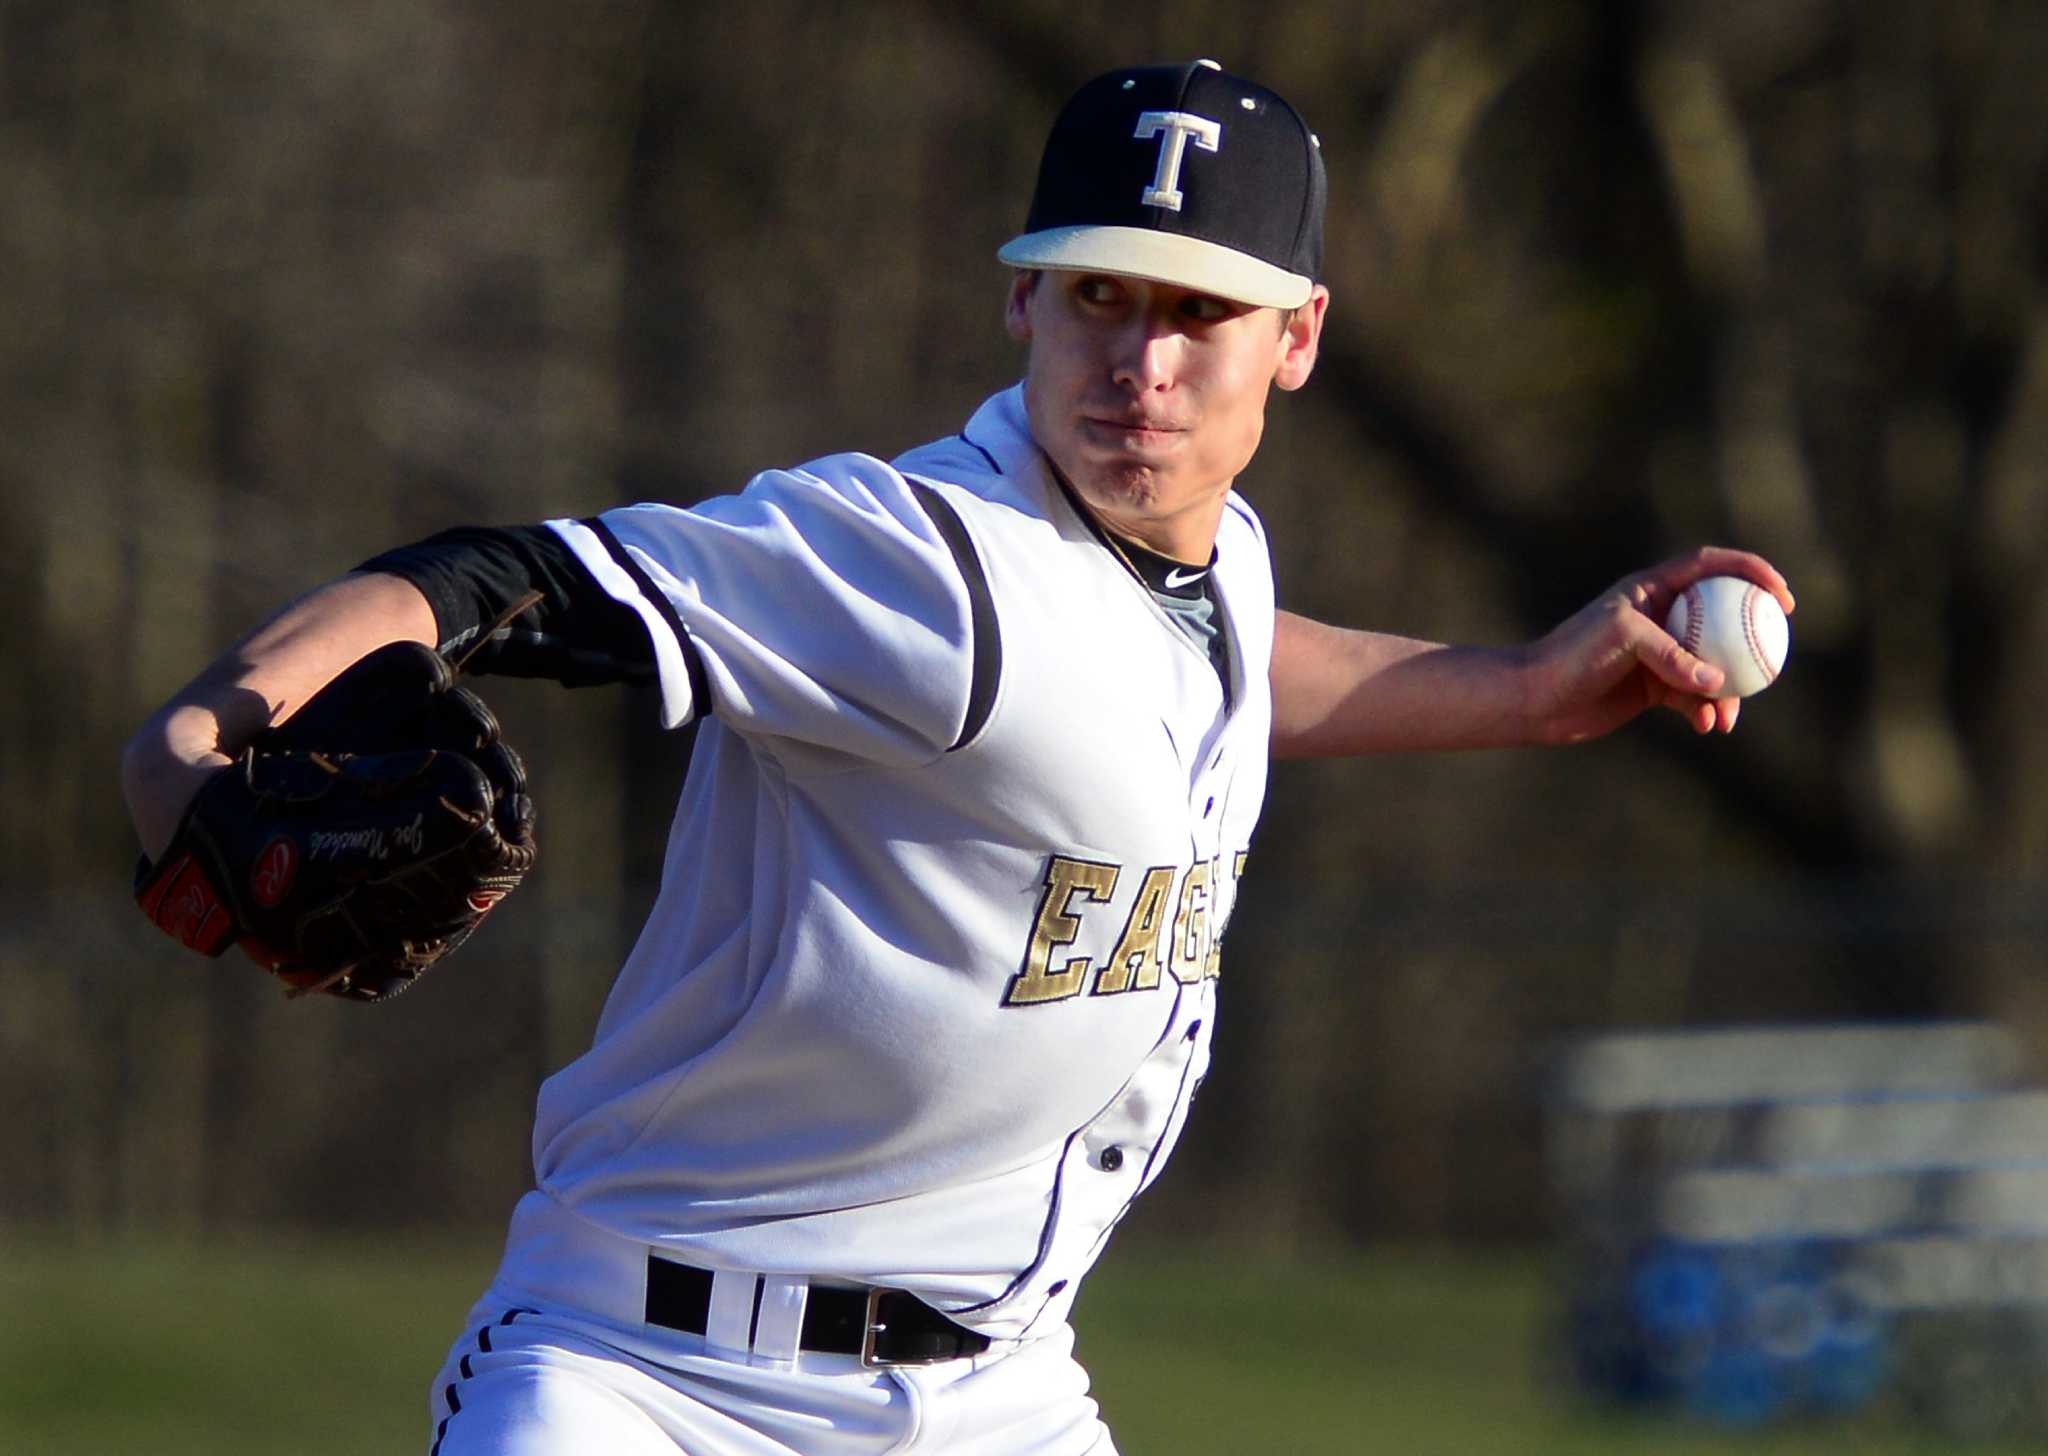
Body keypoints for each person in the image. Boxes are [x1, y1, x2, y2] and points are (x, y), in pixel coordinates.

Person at [120, 59, 1791, 1455]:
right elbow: (508, 579)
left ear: (1297, 337)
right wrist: (201, 737)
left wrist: (1522, 687)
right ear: (1021, 297)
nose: (1138, 362)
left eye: (1196, 314)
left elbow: (1212, 671)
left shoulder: (1208, 559)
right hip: (656, 1381)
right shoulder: (919, 561)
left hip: (996, 1393)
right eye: (1098, 298)